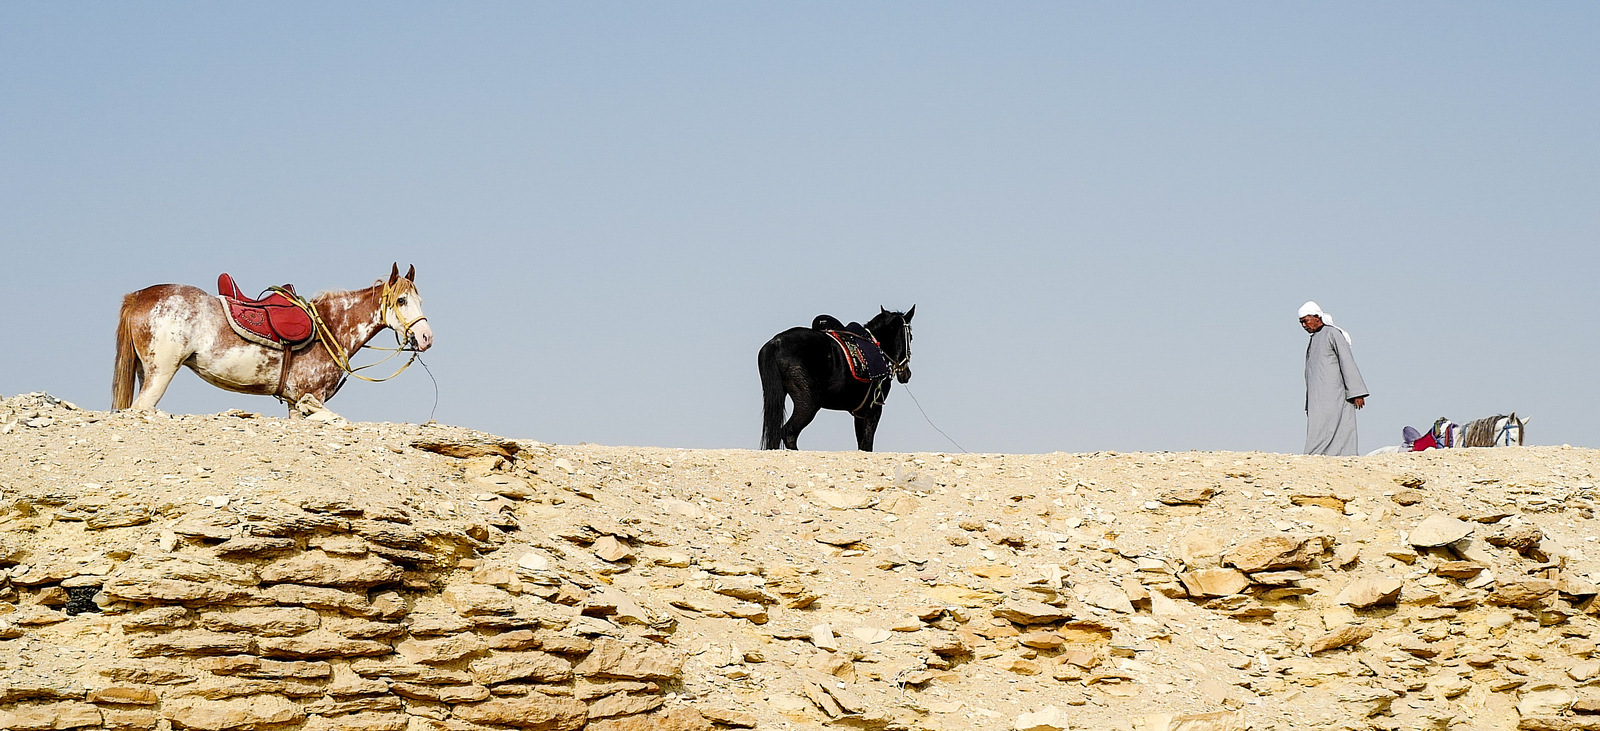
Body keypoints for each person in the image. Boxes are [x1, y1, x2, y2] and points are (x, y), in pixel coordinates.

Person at [1299, 301, 1369, 456]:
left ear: (1317, 317)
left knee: (1340, 424)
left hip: (1336, 393)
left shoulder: (1332, 334)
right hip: (1318, 396)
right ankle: (1317, 455)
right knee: (1319, 424)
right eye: (1301, 322)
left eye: (1306, 321)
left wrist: (1356, 392)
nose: (1304, 325)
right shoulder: (1314, 338)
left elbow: (1347, 362)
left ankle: (1342, 455)